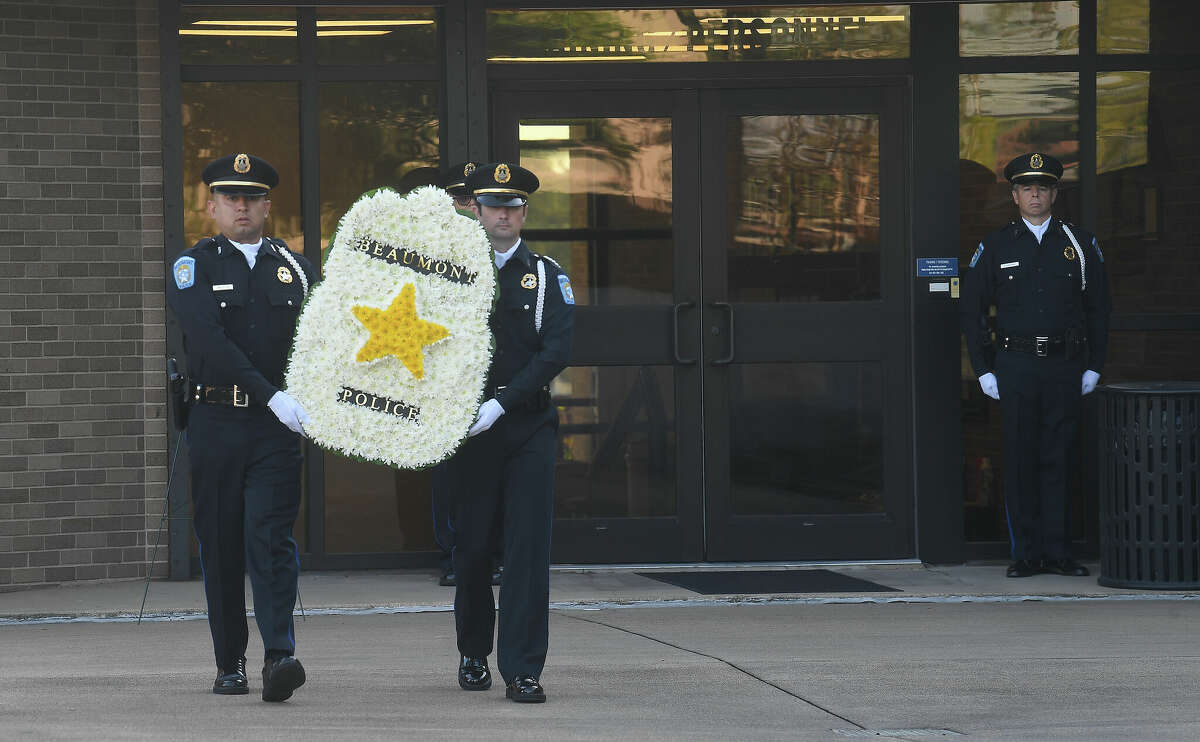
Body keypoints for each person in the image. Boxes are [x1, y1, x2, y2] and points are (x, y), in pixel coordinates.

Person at [167, 153, 316, 702]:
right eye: (231, 198)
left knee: (272, 540)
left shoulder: (296, 267)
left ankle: (279, 656)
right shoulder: (194, 266)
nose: (242, 206)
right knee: (222, 542)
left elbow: (320, 341)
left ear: (267, 206)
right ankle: (229, 662)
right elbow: (209, 340)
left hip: (275, 429)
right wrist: (271, 393)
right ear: (212, 207)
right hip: (217, 421)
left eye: (252, 198)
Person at [447, 162, 574, 703]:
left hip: (527, 425)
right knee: (473, 546)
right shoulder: (449, 270)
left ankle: (523, 668)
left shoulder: (544, 275)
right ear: (476, 209)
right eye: (494, 205)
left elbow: (557, 350)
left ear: (524, 212)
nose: (503, 214)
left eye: (513, 206)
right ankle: (474, 651)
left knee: (527, 550)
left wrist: (503, 402)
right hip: (469, 428)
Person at [961, 152, 1111, 578]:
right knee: (1020, 457)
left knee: (1059, 458)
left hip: (1064, 364)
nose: (1035, 195)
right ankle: (1026, 554)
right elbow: (972, 311)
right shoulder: (996, 246)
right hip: (1016, 365)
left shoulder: (1079, 243)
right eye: (1026, 188)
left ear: (1054, 194)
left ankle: (1059, 553)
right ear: (1014, 195)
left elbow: (1099, 309)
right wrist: (984, 368)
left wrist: (1094, 365)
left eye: (1042, 188)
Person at [431, 161, 505, 588]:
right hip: (444, 379)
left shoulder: (504, 253)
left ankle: (494, 554)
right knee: (450, 474)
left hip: (496, 382)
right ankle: (453, 555)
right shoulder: (430, 252)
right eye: (460, 198)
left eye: (474, 200)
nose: (467, 207)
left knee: (495, 472)